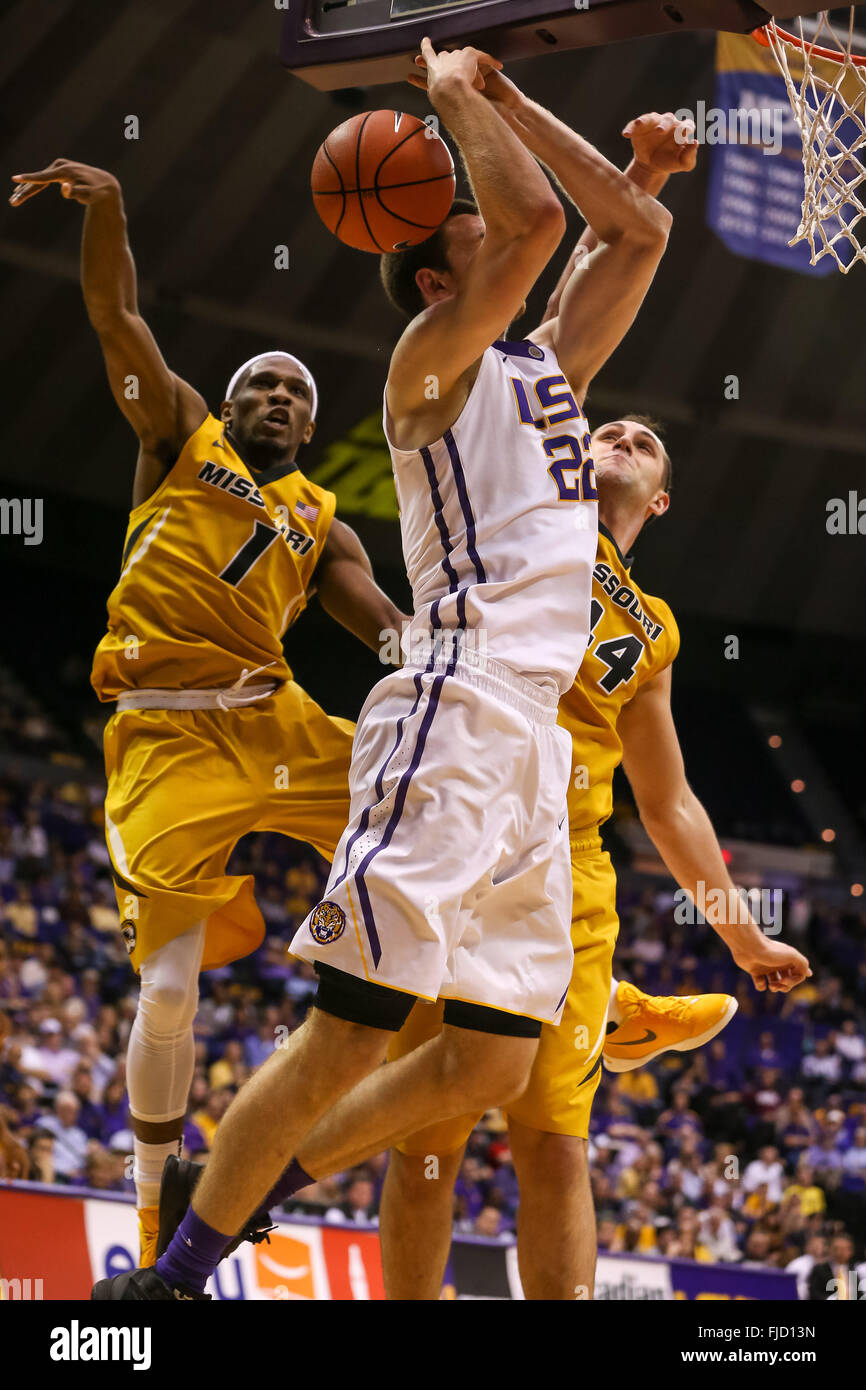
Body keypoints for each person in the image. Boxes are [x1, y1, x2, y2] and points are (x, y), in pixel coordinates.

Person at [93, 38, 689, 1300]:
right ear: (432, 272)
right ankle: (171, 1281)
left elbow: (628, 234)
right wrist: (452, 91)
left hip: (531, 744)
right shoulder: (430, 368)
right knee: (351, 1023)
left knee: (490, 1066)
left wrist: (522, 103)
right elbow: (532, 222)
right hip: (457, 703)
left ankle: (254, 1191)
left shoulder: (545, 374)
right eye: (460, 223)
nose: (487, 225)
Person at [10, 158, 405, 1263]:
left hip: (272, 720)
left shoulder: (321, 520)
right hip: (163, 731)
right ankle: (155, 1207)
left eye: (298, 394)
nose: (279, 397)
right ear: (227, 403)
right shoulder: (177, 439)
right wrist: (111, 211)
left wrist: (444, 660)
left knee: (424, 801)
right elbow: (115, 312)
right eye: (263, 386)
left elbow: (380, 625)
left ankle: (571, 987)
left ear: (311, 428)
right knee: (170, 986)